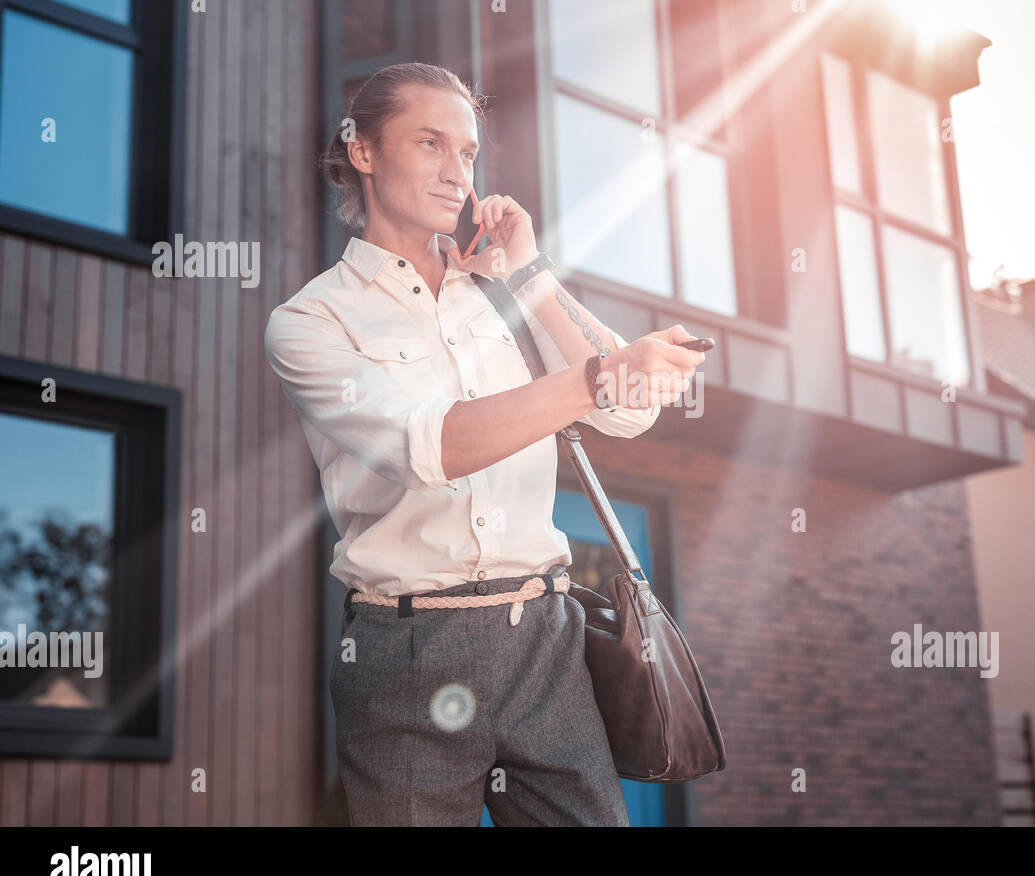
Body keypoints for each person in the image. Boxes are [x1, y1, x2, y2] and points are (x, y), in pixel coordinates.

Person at [264, 62, 705, 825]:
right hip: (405, 652)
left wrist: (529, 274)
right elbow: (426, 447)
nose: (456, 171)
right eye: (430, 143)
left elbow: (626, 415)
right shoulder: (311, 322)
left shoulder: (498, 293)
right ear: (362, 151)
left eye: (467, 152)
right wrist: (600, 374)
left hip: (547, 640)